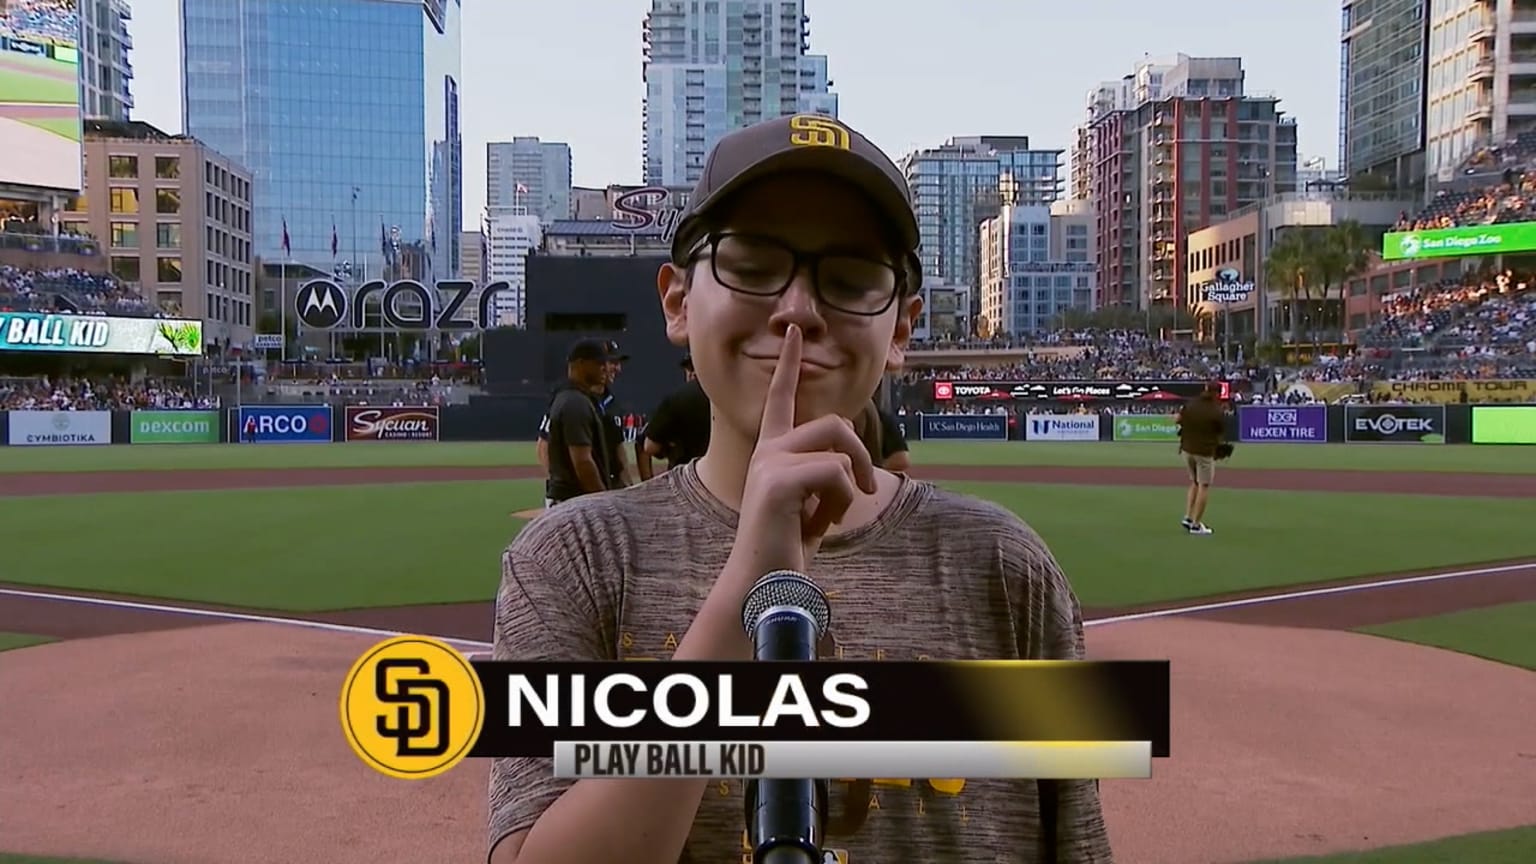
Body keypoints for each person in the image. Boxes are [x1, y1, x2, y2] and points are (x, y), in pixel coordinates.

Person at [488, 114, 1111, 863]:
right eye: (751, 266)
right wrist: (748, 587)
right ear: (679, 301)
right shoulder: (576, 559)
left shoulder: (1003, 569)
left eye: (849, 280)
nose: (799, 310)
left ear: (903, 329)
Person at [541, 339, 616, 509]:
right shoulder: (575, 402)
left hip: (569, 500)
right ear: (581, 364)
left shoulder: (570, 397)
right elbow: (582, 462)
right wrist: (604, 501)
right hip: (573, 502)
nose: (605, 368)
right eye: (599, 363)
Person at [635, 353, 711, 481]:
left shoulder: (678, 398)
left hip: (685, 479)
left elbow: (649, 446)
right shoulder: (733, 394)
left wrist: (647, 480)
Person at [1175, 381, 1226, 535]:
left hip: (1187, 449)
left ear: (1205, 389)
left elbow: (1177, 419)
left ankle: (1188, 517)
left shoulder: (1191, 404)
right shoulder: (1215, 410)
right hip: (1204, 451)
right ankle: (1196, 525)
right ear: (1217, 393)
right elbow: (1221, 431)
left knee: (1194, 482)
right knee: (1204, 485)